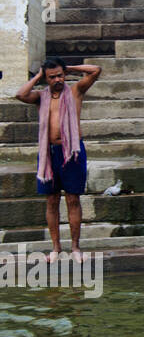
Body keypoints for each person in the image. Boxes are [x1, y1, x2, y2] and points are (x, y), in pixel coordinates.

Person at [15, 58, 102, 263]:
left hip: (72, 151)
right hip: (49, 153)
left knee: (73, 199)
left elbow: (96, 70)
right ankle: (55, 248)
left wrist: (68, 68)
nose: (57, 79)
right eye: (52, 77)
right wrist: (37, 75)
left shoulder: (75, 91)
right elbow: (20, 94)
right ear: (46, 79)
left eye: (60, 75)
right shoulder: (41, 97)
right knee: (52, 200)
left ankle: (75, 247)